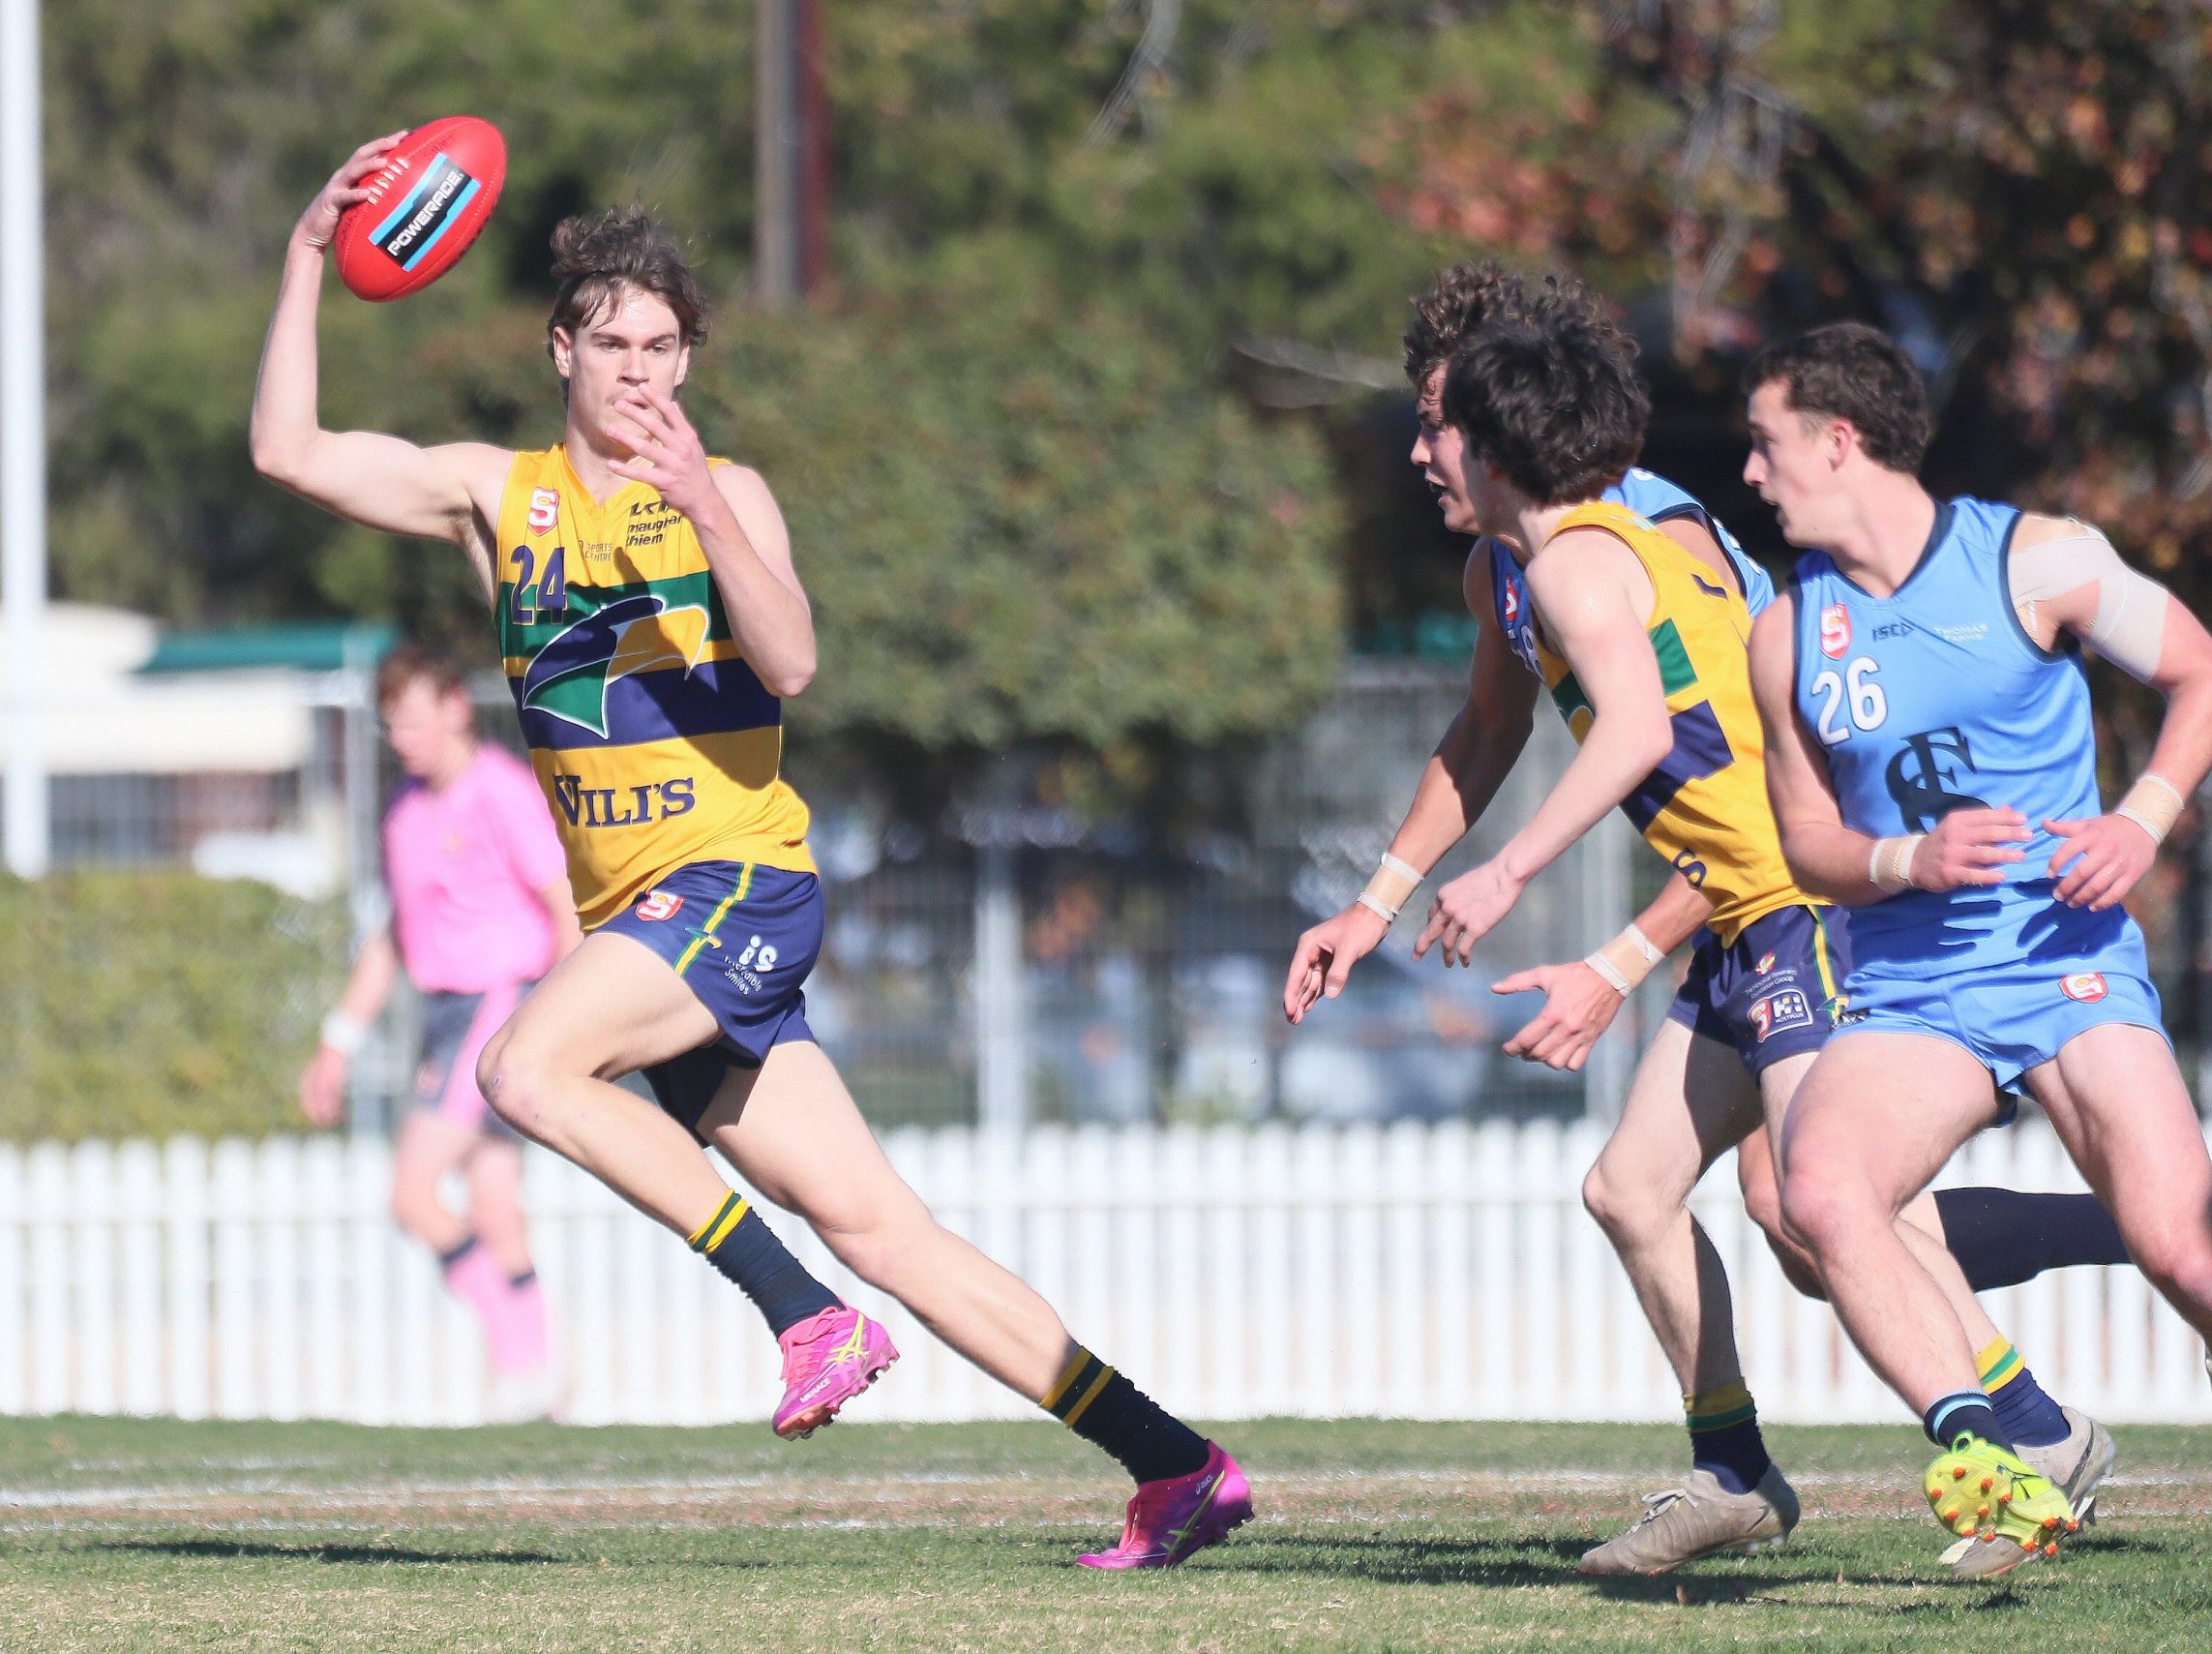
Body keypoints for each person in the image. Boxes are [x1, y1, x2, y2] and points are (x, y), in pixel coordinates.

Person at [253, 134, 1248, 1568]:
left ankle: (805, 1320)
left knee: (522, 1069)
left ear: (689, 361)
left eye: (663, 347)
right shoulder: (498, 496)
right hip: (654, 931)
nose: (639, 371)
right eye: (612, 344)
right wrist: (306, 255)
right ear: (560, 352)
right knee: (884, 1228)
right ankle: (1176, 1463)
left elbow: (791, 662)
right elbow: (286, 454)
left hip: (735, 888)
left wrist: (709, 508)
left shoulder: (732, 489)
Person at [1283, 275, 2107, 1579]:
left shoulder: (1624, 544)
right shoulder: (1509, 568)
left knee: (1814, 1205)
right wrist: (1373, 902)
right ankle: (1743, 1469)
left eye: (1439, 422)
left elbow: (1717, 760)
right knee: (1640, 1189)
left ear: (1501, 422)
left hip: (1803, 900)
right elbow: (1490, 726)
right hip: (1741, 907)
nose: (1422, 449)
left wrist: (1561, 915)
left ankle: (2017, 1442)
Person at [1745, 321, 2212, 1567]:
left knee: (2181, 1245)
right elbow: (1805, 839)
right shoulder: (1786, 633)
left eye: (1764, 442)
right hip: (1913, 990)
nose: (1749, 471)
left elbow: (2199, 671)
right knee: (1815, 1190)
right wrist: (1906, 859)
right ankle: (1997, 1460)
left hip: (2064, 960)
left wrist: (2139, 819)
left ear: (1837, 440)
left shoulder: (2038, 558)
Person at [301, 644, 580, 1419]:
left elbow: (565, 909)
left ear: (457, 707)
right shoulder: (403, 811)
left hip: (499, 1005)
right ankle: (541, 1383)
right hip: (443, 1014)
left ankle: (520, 1363)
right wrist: (337, 1041)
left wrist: (560, 1024)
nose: (404, 739)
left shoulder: (502, 792)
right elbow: (397, 933)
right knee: (493, 1207)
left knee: (413, 1193)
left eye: (416, 720)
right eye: (393, 724)